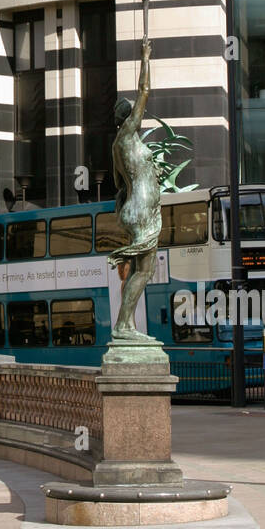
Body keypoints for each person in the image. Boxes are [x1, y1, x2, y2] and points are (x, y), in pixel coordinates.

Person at [109, 36, 162, 339]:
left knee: (142, 268)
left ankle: (127, 325)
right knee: (144, 269)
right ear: (127, 117)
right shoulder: (128, 133)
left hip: (133, 209)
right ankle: (123, 326)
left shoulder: (118, 144)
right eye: (133, 112)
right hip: (141, 210)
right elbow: (145, 90)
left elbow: (118, 184)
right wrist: (145, 56)